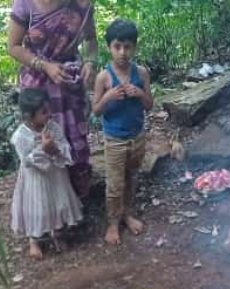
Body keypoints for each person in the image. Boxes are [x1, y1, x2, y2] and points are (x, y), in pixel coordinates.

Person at [8, 0, 97, 199]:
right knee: (42, 141)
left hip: (70, 81)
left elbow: (91, 40)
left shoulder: (82, 4)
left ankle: (77, 198)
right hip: (38, 86)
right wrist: (45, 66)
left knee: (75, 137)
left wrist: (90, 62)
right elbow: (13, 46)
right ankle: (49, 200)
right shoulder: (25, 5)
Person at [92, 18, 153, 246]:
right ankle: (113, 223)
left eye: (128, 46)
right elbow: (96, 110)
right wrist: (107, 97)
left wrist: (139, 93)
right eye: (117, 46)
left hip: (137, 137)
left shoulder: (142, 73)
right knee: (115, 184)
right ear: (109, 47)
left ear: (135, 47)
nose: (123, 52)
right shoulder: (104, 77)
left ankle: (127, 213)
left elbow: (149, 105)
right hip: (115, 140)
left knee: (130, 178)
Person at [11, 88, 84, 260]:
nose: (49, 114)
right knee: (37, 208)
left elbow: (64, 146)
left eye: (48, 109)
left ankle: (57, 233)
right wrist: (43, 150)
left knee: (59, 203)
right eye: (44, 112)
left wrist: (55, 149)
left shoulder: (53, 127)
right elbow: (27, 161)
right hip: (35, 179)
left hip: (56, 174)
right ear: (29, 116)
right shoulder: (21, 136)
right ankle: (34, 240)